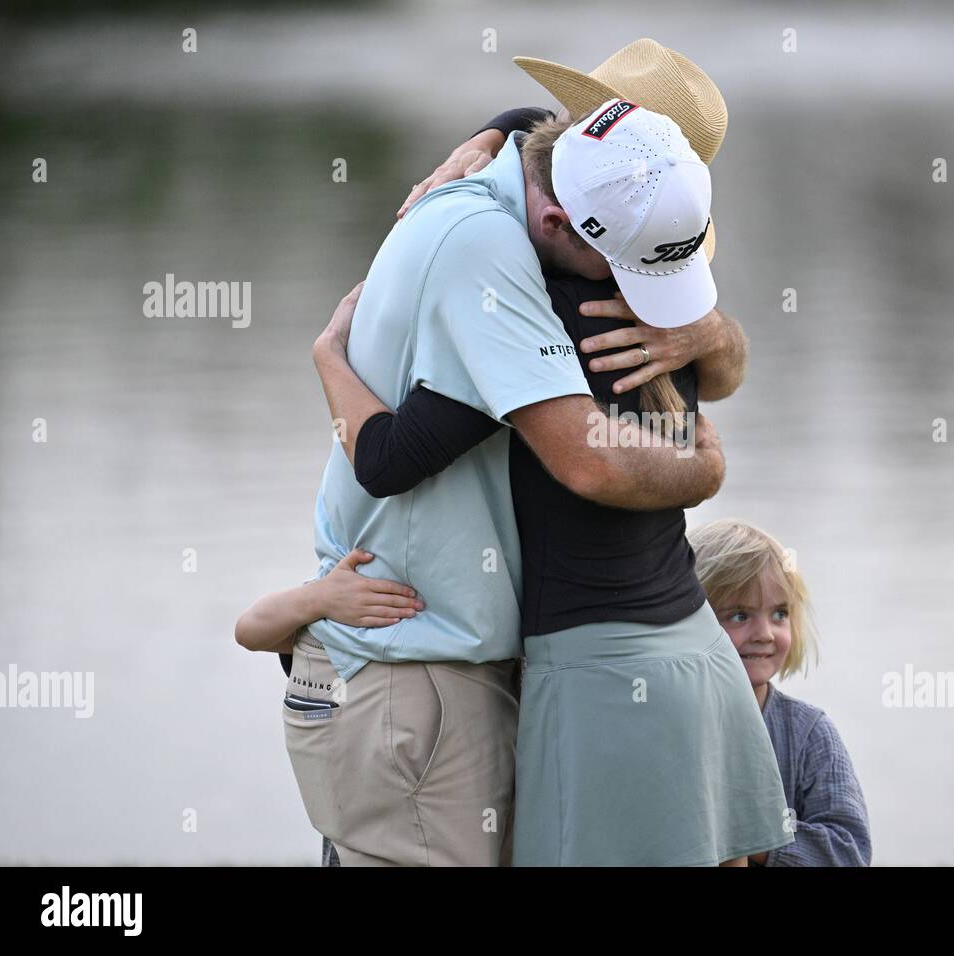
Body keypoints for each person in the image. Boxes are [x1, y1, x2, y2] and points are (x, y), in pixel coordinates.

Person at [238, 91, 730, 866]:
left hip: (419, 669)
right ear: (555, 224)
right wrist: (705, 469)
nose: (631, 297)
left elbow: (534, 115)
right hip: (409, 670)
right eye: (620, 269)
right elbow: (582, 460)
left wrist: (492, 131)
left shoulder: (515, 190)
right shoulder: (489, 256)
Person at [688, 519, 874, 867]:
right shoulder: (669, 726)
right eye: (739, 615)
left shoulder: (808, 733)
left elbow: (848, 851)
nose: (765, 634)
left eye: (779, 614)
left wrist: (751, 836)